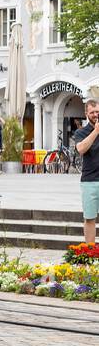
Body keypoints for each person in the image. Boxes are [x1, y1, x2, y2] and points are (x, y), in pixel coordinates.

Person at [73, 98, 99, 245]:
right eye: (92, 112)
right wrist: (96, 131)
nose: (96, 115)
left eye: (98, 112)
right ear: (86, 113)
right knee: (89, 218)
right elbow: (81, 149)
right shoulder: (81, 132)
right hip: (90, 181)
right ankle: (89, 252)